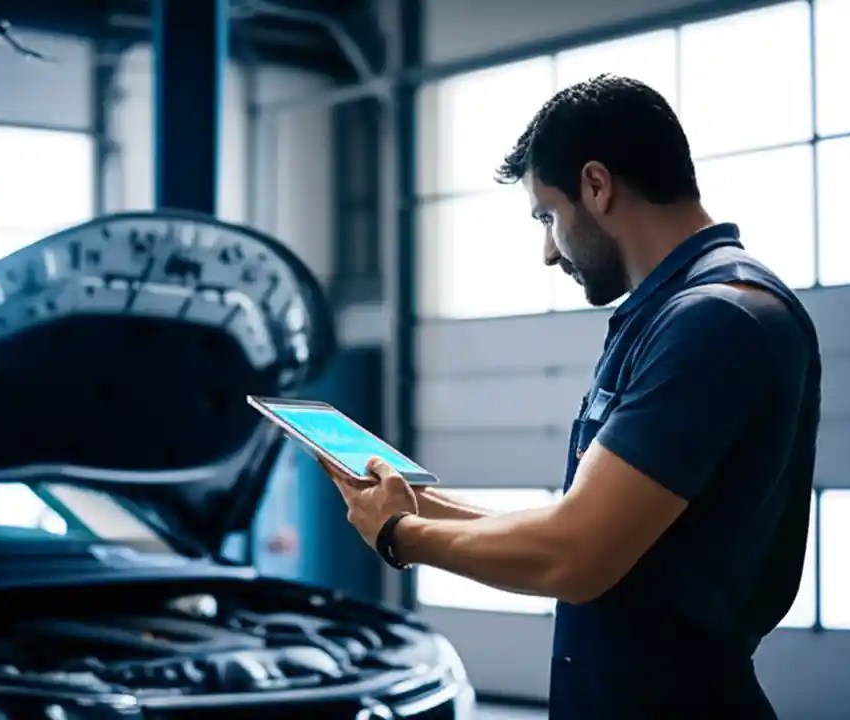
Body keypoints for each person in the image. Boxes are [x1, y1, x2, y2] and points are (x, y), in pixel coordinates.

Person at [321, 74, 822, 719]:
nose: (549, 252)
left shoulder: (719, 320)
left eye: (548, 217)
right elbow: (576, 526)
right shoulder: (671, 316)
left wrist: (400, 534)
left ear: (596, 185)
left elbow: (576, 554)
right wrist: (417, 501)